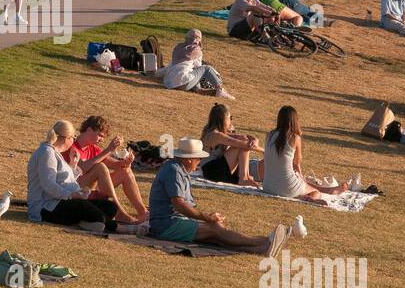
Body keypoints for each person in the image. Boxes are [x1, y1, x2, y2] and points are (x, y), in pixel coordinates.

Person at [147, 137, 283, 251]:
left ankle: (260, 247)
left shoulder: (179, 169)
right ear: (189, 159)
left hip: (171, 221)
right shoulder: (174, 171)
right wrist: (207, 218)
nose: (199, 163)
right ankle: (264, 242)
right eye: (198, 159)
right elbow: (180, 205)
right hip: (167, 225)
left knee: (215, 235)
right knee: (215, 230)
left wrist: (206, 217)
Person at [26, 121, 148, 234]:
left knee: (110, 207)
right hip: (46, 208)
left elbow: (62, 180)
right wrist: (72, 195)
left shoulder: (54, 153)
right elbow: (48, 185)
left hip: (61, 201)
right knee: (85, 207)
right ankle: (120, 228)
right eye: (73, 138)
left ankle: (86, 222)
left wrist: (73, 166)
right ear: (66, 138)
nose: (73, 140)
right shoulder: (46, 153)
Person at [261, 105, 353, 204]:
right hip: (287, 187)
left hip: (268, 186)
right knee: (315, 191)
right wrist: (299, 136)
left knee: (300, 180)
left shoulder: (269, 135)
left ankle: (329, 190)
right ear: (294, 121)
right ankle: (315, 197)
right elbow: (297, 162)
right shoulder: (294, 137)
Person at [69, 116, 148, 222]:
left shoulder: (93, 148)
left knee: (126, 171)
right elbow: (82, 167)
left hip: (92, 188)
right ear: (89, 130)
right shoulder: (72, 145)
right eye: (100, 135)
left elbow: (115, 165)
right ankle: (119, 212)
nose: (101, 140)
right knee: (99, 167)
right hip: (74, 188)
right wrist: (108, 150)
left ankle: (143, 213)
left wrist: (126, 162)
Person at [199, 102, 263, 185]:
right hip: (212, 171)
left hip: (214, 170)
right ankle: (243, 178)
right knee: (240, 145)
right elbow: (244, 144)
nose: (231, 121)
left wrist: (254, 139)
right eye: (230, 117)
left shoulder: (215, 132)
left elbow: (243, 138)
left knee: (242, 142)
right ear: (223, 119)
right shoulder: (216, 135)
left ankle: (246, 176)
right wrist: (265, 151)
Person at [162, 28, 231, 97]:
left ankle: (199, 90)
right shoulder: (196, 49)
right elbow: (198, 67)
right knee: (206, 68)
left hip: (169, 83)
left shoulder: (178, 47)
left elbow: (172, 65)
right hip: (183, 84)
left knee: (192, 72)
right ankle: (220, 90)